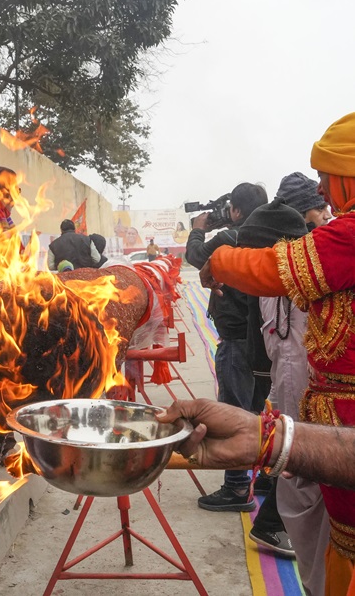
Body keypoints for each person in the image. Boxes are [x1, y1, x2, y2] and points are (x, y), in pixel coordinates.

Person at [201, 111, 355, 595]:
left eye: (328, 177)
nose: (323, 191)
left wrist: (219, 260)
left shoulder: (348, 235)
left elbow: (270, 269)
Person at [239, 200, 329, 593]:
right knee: (295, 472)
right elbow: (272, 343)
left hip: (310, 393)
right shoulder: (271, 288)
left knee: (307, 474)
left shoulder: (307, 280)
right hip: (287, 387)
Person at [186, 182, 268, 512]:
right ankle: (264, 474)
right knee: (259, 411)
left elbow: (196, 256)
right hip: (265, 340)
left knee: (233, 413)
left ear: (235, 211)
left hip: (236, 339)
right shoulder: (269, 237)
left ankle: (236, 487)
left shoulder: (230, 238)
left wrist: (198, 229)